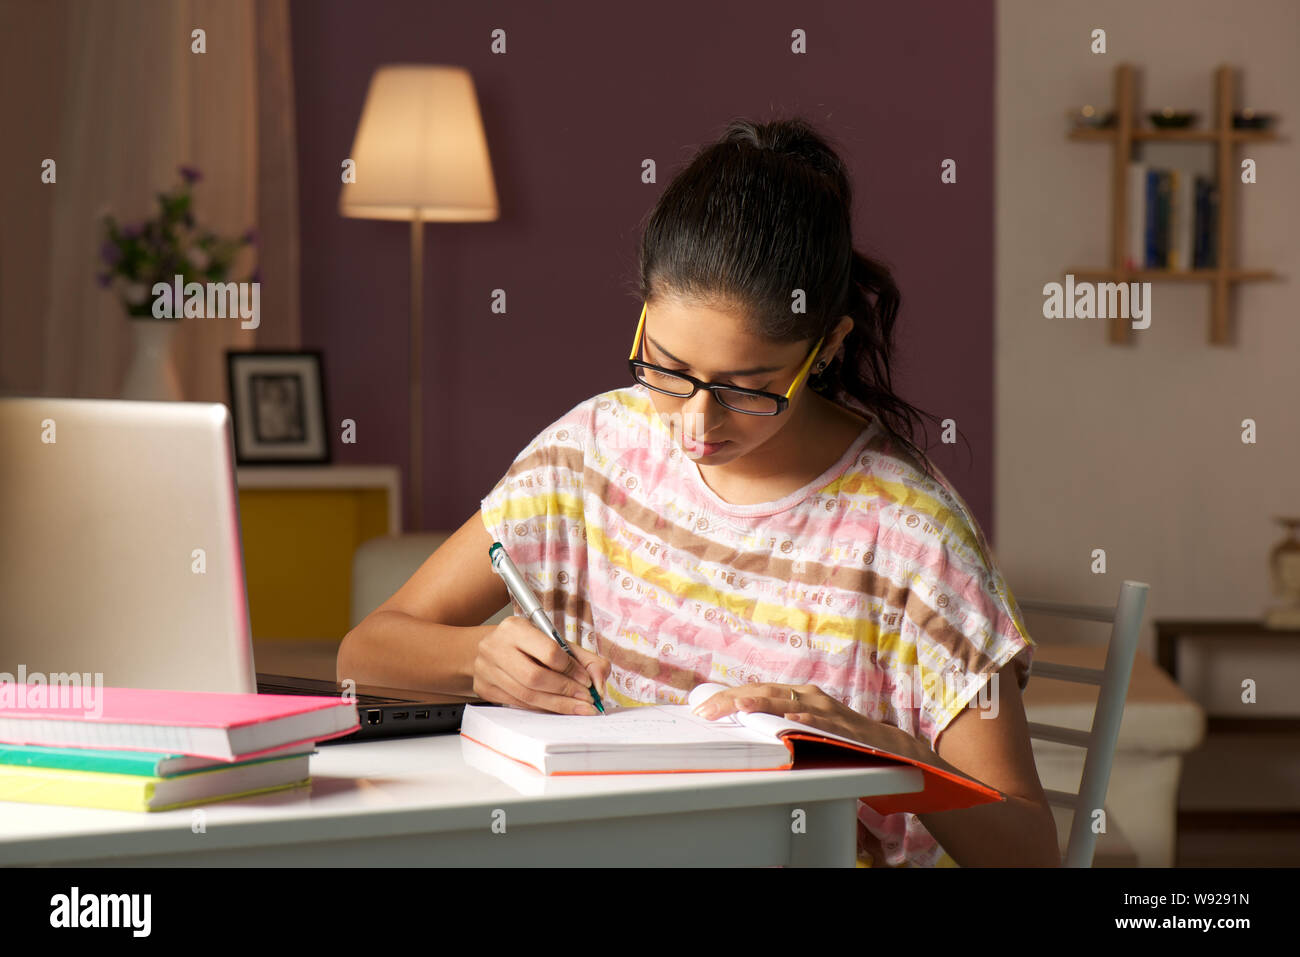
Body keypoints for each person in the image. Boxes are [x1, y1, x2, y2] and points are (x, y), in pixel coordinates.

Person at [337, 116, 1058, 867]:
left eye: (747, 390)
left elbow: (1030, 851)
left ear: (827, 348)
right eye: (668, 368)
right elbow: (365, 653)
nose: (695, 423)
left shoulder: (911, 536)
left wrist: (881, 746)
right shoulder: (592, 452)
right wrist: (479, 655)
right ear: (644, 314)